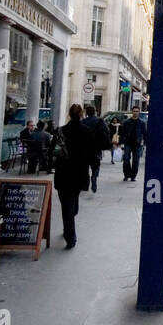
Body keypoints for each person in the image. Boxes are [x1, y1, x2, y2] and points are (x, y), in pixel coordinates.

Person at [53, 104, 92, 248]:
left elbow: (54, 152)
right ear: (81, 114)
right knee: (72, 203)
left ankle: (70, 236)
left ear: (69, 114)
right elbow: (91, 154)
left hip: (63, 173)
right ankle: (70, 233)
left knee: (66, 206)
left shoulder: (61, 131)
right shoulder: (86, 131)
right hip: (79, 173)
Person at [81, 104, 111, 193]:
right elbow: (107, 131)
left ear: (86, 112)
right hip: (96, 147)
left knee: (85, 166)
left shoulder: (83, 121)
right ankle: (94, 176)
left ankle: (85, 185)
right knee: (96, 165)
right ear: (95, 112)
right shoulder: (100, 121)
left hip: (85, 147)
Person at [119, 107, 146, 182]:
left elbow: (144, 133)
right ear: (132, 112)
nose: (135, 113)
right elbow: (122, 133)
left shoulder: (141, 123)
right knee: (126, 159)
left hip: (137, 144)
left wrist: (144, 143)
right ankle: (126, 175)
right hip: (128, 143)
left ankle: (133, 176)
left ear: (139, 112)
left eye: (137, 111)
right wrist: (121, 143)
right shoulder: (127, 122)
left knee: (136, 160)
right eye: (134, 111)